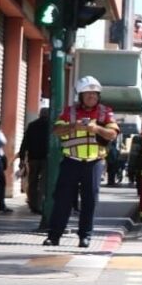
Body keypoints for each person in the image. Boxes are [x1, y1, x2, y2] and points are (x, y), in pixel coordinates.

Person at [44, 77, 119, 248]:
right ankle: (54, 236)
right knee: (62, 199)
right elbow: (56, 130)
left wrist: (96, 128)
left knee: (89, 200)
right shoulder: (69, 112)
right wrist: (73, 126)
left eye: (95, 94)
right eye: (88, 93)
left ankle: (85, 236)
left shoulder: (105, 112)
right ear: (81, 95)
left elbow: (112, 134)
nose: (92, 96)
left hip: (94, 163)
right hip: (71, 161)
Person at [17, 105, 50, 215]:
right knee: (43, 182)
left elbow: (25, 142)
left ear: (40, 114)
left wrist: (22, 157)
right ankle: (40, 204)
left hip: (33, 158)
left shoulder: (32, 125)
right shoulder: (51, 126)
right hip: (46, 158)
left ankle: (33, 204)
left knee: (33, 182)